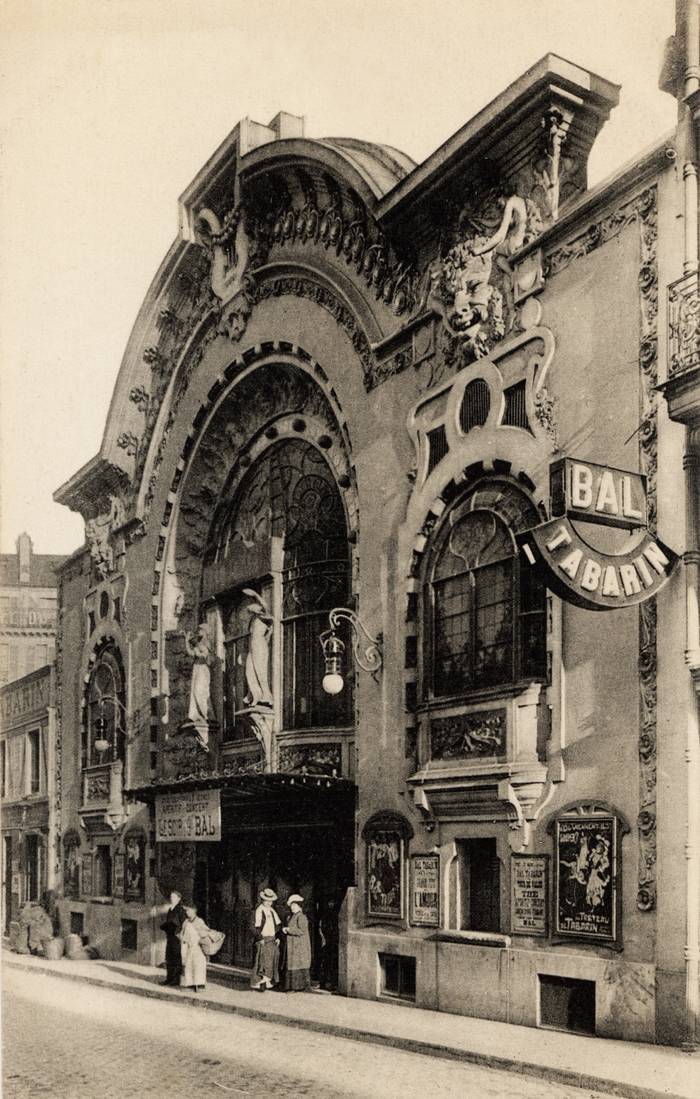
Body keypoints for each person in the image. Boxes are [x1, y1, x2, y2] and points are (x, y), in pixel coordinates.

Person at [250, 887, 281, 992]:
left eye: (270, 901)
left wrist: (277, 937)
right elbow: (253, 927)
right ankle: (259, 984)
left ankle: (268, 983)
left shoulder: (272, 911)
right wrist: (259, 938)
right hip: (263, 939)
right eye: (266, 901)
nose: (268, 903)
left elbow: (277, 925)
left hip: (271, 939)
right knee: (261, 962)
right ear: (262, 900)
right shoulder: (258, 911)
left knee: (270, 962)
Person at [282, 894, 311, 992]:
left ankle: (296, 987)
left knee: (296, 965)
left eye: (294, 906)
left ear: (299, 906)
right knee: (292, 964)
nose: (292, 908)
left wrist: (288, 930)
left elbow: (301, 931)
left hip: (299, 946)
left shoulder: (301, 917)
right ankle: (292, 986)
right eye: (291, 906)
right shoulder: (292, 916)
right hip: (293, 945)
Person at [160, 890, 186, 986]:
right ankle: (169, 978)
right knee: (169, 957)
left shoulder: (180, 910)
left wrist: (179, 934)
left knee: (176, 958)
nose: (171, 898)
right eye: (171, 897)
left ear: (179, 899)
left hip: (176, 936)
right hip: (170, 936)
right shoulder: (171, 909)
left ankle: (176, 980)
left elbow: (184, 923)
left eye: (174, 897)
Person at [180, 904, 208, 992]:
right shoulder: (186, 922)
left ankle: (200, 985)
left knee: (198, 965)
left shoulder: (199, 921)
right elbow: (182, 933)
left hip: (198, 947)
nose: (187, 912)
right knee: (188, 965)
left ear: (194, 911)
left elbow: (206, 932)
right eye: (186, 911)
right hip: (189, 946)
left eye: (189, 910)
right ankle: (190, 985)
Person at [318, 896, 339, 992]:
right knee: (326, 962)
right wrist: (323, 938)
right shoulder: (326, 915)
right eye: (330, 902)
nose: (331, 904)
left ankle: (332, 983)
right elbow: (321, 927)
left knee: (331, 963)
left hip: (333, 942)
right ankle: (324, 983)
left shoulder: (335, 915)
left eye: (333, 902)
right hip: (327, 941)